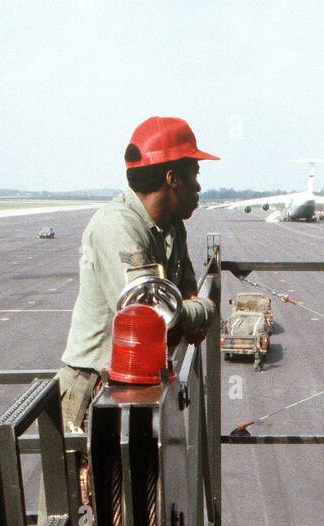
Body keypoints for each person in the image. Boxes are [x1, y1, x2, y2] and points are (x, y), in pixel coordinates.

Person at [58, 114, 219, 432]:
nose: (199, 186)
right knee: (92, 484)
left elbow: (182, 300)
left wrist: (184, 314)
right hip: (95, 390)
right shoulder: (118, 226)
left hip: (139, 384)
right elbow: (149, 316)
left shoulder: (172, 228)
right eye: (195, 174)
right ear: (173, 179)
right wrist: (206, 310)